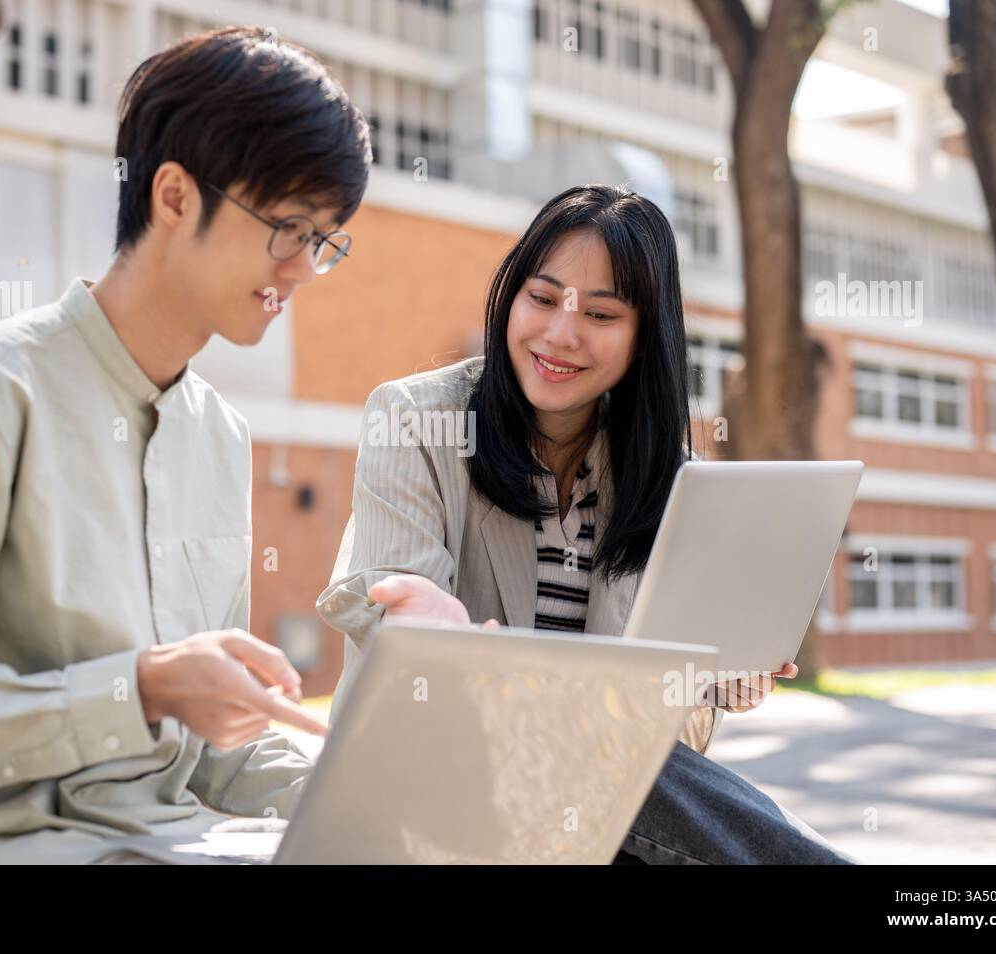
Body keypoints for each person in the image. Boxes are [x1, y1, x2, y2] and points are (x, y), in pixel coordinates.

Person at [0, 26, 369, 864]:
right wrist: (138, 689)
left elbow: (212, 755)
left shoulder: (218, 435)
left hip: (168, 843)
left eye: (324, 241)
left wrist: (368, 788)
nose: (303, 269)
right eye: (288, 227)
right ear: (174, 198)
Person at [316, 184, 856, 864]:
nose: (561, 333)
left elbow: (672, 740)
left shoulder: (666, 475)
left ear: (644, 336)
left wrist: (714, 677)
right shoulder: (416, 421)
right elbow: (395, 611)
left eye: (601, 313)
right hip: (437, 791)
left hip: (589, 814)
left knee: (629, 762)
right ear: (510, 296)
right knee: (615, 758)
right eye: (541, 299)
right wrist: (429, 629)